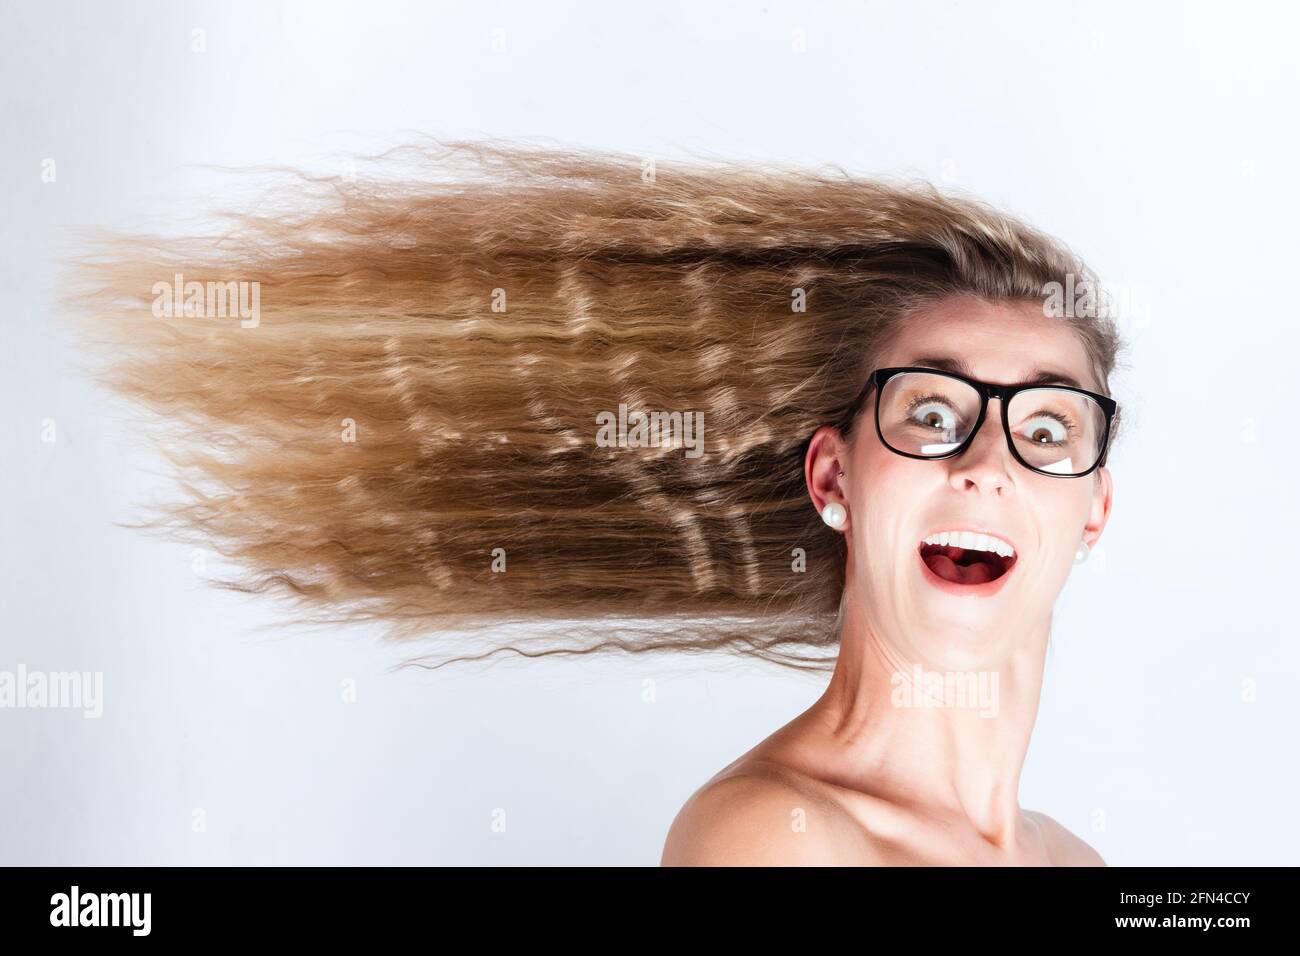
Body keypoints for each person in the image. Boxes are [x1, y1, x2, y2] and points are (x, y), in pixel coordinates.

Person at [64, 138, 1125, 866]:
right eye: (931, 413)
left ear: (1092, 510)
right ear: (833, 479)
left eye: (1046, 429)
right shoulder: (774, 837)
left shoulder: (1078, 858)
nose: (986, 460)